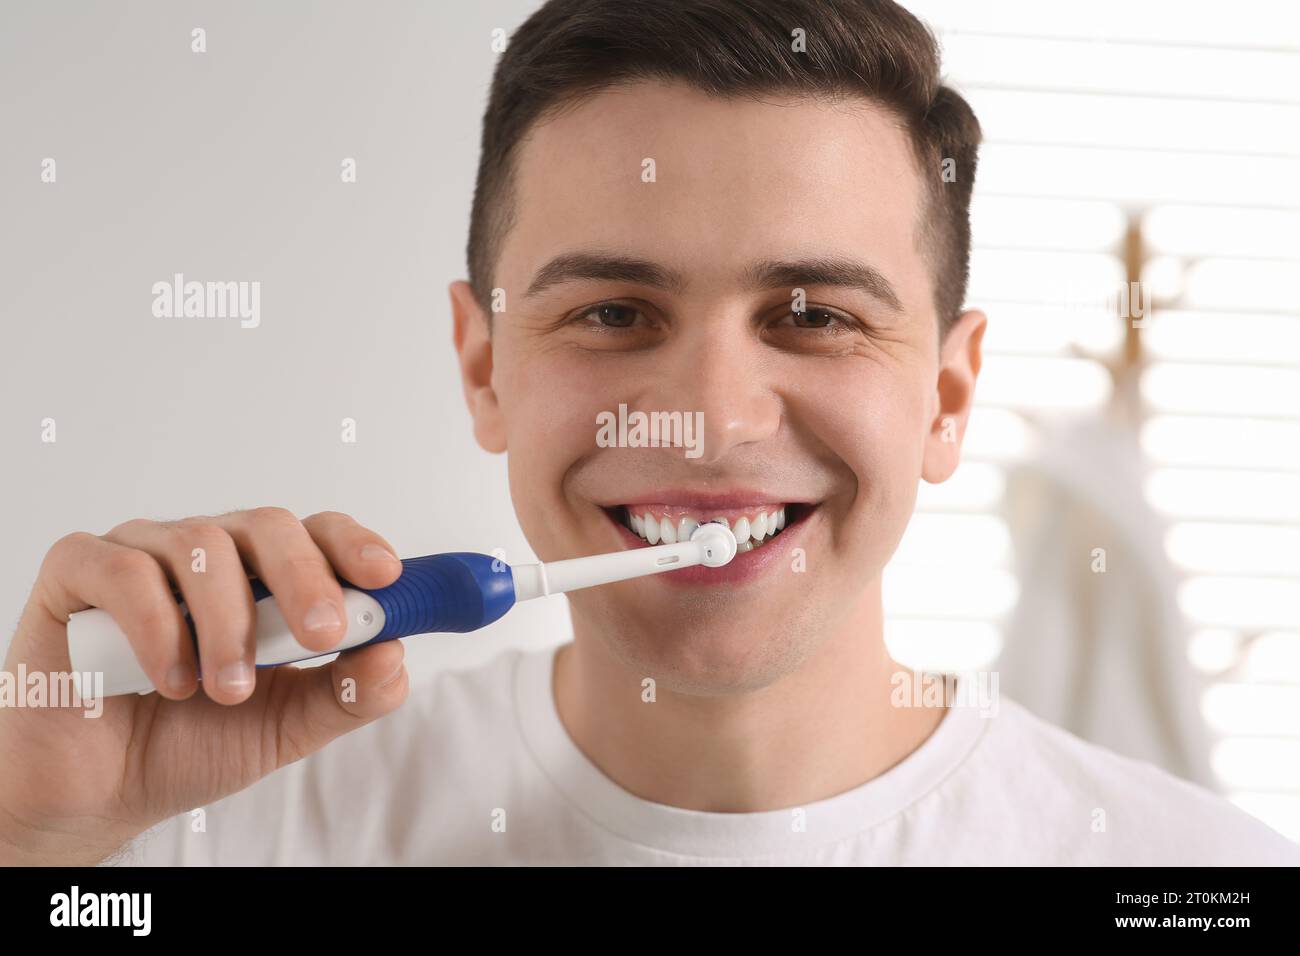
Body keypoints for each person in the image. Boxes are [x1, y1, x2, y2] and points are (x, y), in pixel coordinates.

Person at [2, 0, 1295, 866]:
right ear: (482, 364)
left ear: (947, 399)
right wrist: (42, 835)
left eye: (815, 315)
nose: (712, 421)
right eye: (615, 310)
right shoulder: (218, 837)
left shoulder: (1193, 877)